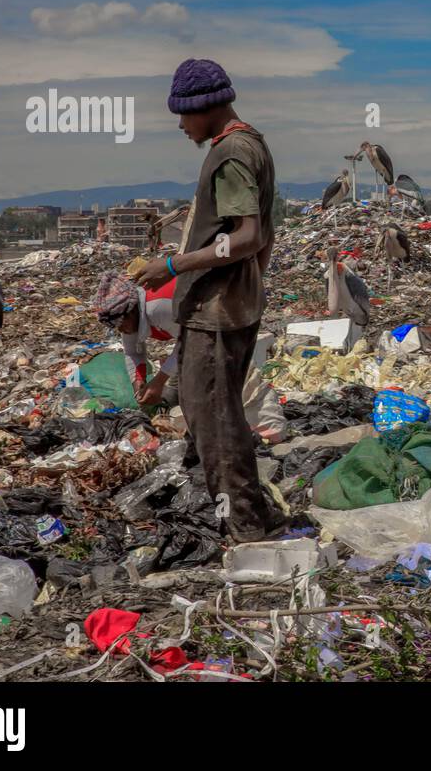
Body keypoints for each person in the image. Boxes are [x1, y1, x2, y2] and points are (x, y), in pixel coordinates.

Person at [133, 58, 282, 543]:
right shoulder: (251, 144)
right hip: (233, 303)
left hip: (215, 310)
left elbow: (247, 236)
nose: (181, 126)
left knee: (214, 422)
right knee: (220, 416)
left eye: (184, 115)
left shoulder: (232, 153)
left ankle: (247, 533)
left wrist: (173, 266)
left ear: (206, 107)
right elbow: (263, 239)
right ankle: (252, 517)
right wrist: (251, 284)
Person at [93, 271, 179, 408]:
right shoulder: (129, 316)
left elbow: (189, 344)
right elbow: (132, 352)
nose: (121, 330)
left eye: (121, 325)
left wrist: (158, 382)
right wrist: (138, 382)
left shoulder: (157, 307)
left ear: (131, 312)